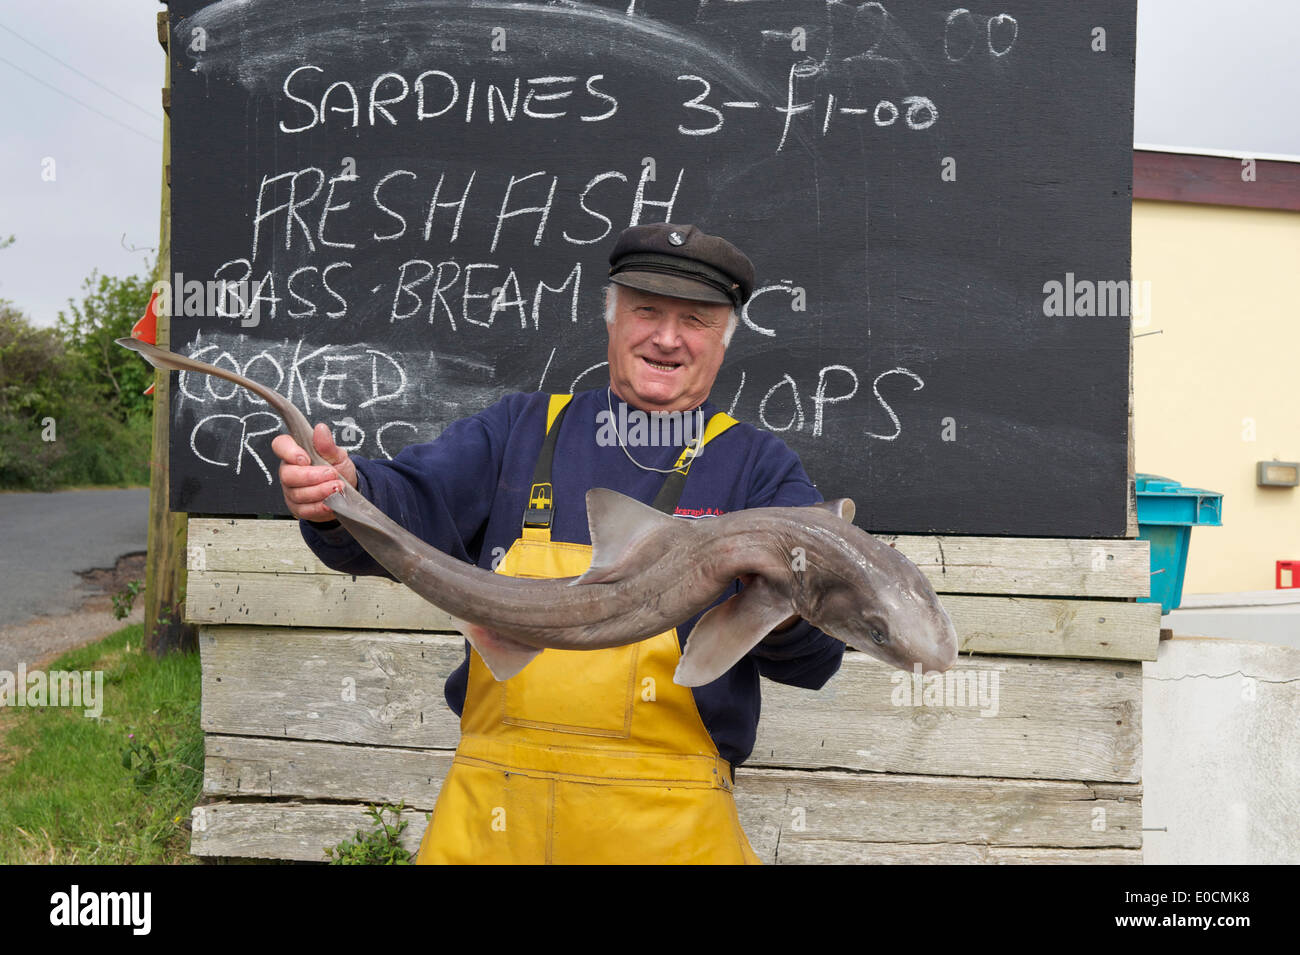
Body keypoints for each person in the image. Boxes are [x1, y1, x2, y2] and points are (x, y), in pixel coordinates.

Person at [271, 223, 845, 864]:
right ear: (612, 319)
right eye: (646, 311)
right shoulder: (519, 429)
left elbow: (814, 660)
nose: (666, 337)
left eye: (696, 320)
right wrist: (338, 495)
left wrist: (776, 599)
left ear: (725, 339)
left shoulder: (759, 469)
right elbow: (391, 517)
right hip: (495, 818)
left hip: (670, 827)